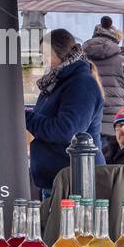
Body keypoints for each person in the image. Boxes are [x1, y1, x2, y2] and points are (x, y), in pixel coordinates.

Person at [26, 29, 105, 196]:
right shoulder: (55, 83)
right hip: (58, 180)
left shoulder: (81, 84)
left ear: (60, 52)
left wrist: (25, 118)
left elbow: (67, 131)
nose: (42, 59)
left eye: (45, 54)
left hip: (76, 183)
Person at [83, 17, 124, 149]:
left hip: (86, 126)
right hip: (117, 128)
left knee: (87, 167)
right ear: (115, 40)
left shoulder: (81, 62)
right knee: (113, 168)